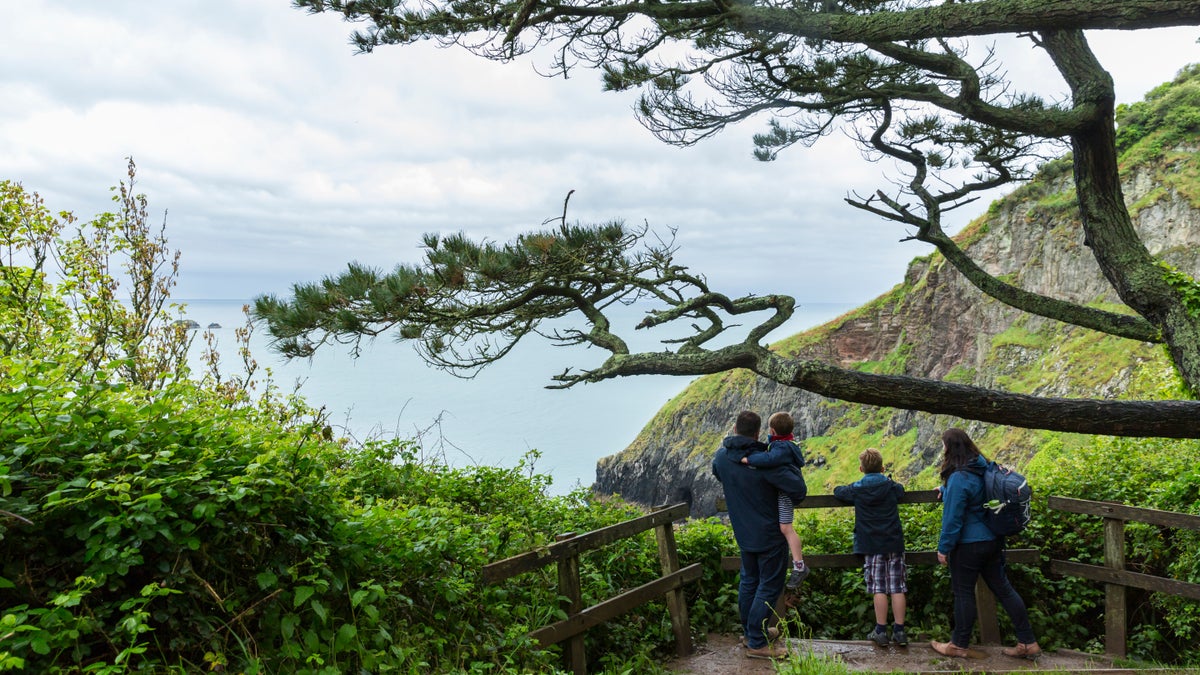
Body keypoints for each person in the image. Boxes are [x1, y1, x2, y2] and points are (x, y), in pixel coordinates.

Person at [930, 428, 1041, 660]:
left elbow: (953, 518)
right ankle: (1028, 641)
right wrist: (945, 489)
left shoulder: (960, 477)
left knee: (963, 593)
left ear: (950, 448)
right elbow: (978, 495)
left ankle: (958, 645)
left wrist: (944, 548)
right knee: (1004, 589)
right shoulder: (984, 467)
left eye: (943, 446)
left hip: (969, 544)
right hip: (993, 540)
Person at [712, 411, 808, 660]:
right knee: (768, 584)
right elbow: (798, 490)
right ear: (757, 433)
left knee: (749, 582)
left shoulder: (722, 457)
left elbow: (717, 471)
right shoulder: (762, 461)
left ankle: (751, 632)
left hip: (743, 531)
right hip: (768, 535)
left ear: (735, 429)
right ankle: (756, 641)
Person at [833, 448, 908, 648]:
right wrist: (891, 480)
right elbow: (901, 491)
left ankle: (881, 630)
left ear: (861, 469)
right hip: (893, 541)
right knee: (898, 587)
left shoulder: (857, 488)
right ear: (882, 468)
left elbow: (839, 492)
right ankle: (900, 631)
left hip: (871, 544)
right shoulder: (890, 486)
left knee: (879, 588)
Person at [739, 411, 811, 589]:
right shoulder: (787, 445)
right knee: (784, 527)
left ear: (772, 430)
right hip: (783, 489)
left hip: (785, 492)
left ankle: (799, 565)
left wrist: (748, 459)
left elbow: (770, 459)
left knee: (786, 528)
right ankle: (797, 564)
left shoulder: (781, 447)